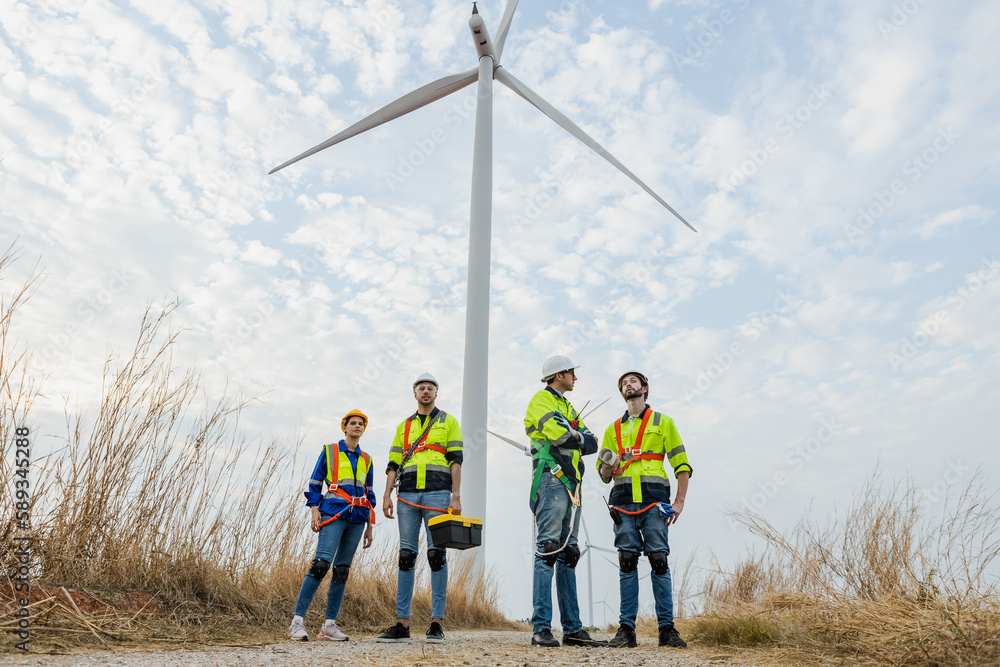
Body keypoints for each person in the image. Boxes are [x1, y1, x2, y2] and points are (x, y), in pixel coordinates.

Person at [597, 371, 692, 649]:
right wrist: (607, 465)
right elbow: (603, 475)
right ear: (622, 392)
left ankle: (667, 630)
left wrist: (680, 503)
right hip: (623, 503)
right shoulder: (612, 429)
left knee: (659, 560)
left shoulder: (664, 422)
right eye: (624, 383)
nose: (628, 384)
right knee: (627, 561)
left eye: (633, 381)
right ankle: (626, 631)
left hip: (654, 502)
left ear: (645, 388)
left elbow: (682, 465)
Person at [524, 355, 604, 648]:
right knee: (547, 550)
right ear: (559, 375)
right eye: (572, 373)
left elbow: (593, 442)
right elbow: (559, 436)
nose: (576, 378)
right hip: (552, 479)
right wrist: (575, 434)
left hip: (573, 484)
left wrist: (576, 435)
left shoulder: (567, 407)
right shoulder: (541, 400)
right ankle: (541, 628)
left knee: (569, 553)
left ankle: (572, 629)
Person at [378, 372, 463, 644]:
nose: (425, 392)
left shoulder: (449, 421)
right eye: (421, 388)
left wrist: (456, 496)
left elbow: (456, 460)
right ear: (414, 394)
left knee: (436, 555)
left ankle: (436, 624)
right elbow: (393, 464)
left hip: (438, 494)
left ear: (436, 393)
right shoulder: (403, 427)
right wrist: (387, 495)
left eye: (430, 388)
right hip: (407, 496)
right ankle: (402, 624)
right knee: (406, 556)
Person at [288, 409, 376, 641]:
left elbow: (369, 494)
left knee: (342, 571)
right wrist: (314, 511)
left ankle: (329, 626)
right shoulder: (330, 451)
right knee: (320, 565)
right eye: (353, 423)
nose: (357, 426)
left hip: (357, 519)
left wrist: (370, 527)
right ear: (344, 427)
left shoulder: (367, 459)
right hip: (333, 514)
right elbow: (315, 484)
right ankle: (297, 622)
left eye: (361, 424)